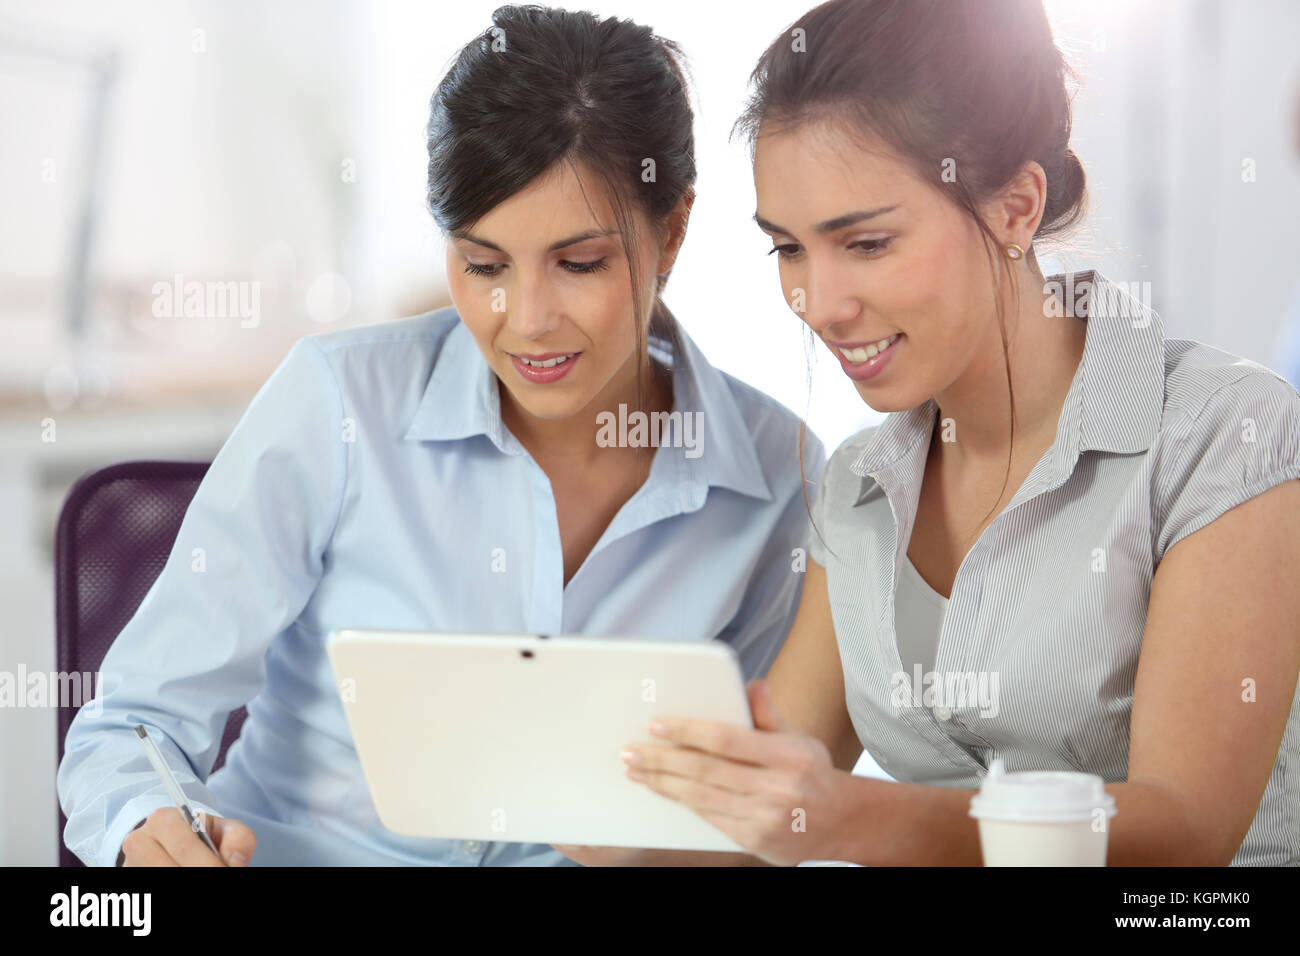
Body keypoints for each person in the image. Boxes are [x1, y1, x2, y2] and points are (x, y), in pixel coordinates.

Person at [57, 4, 825, 866]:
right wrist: (146, 828)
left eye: (580, 264)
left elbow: (762, 813)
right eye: (484, 265)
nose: (527, 321)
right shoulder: (337, 405)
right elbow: (133, 726)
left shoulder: (779, 479)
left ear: (672, 230)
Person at [605, 0, 1300, 867]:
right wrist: (610, 812)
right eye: (788, 249)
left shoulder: (1222, 432)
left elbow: (1184, 830)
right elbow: (775, 792)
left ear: (1015, 208)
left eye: (864, 243)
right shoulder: (858, 485)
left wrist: (852, 819)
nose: (818, 304)